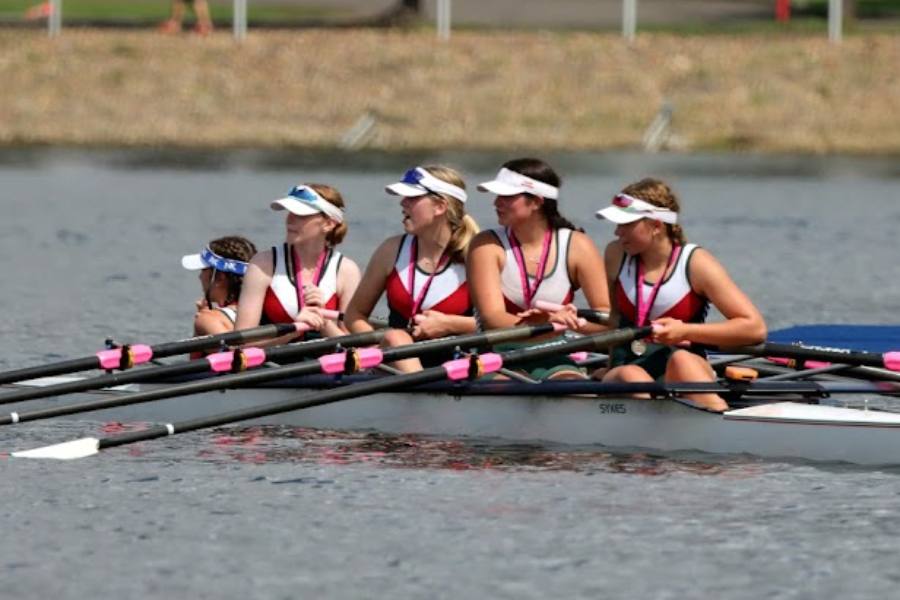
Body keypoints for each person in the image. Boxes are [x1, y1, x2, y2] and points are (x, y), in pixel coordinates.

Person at [594, 177, 767, 411]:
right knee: (632, 374)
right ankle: (661, 422)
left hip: (681, 371)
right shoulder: (616, 254)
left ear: (656, 225)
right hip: (624, 371)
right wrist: (569, 324)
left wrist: (685, 331)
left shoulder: (696, 263)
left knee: (682, 359)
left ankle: (719, 419)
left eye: (627, 224)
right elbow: (615, 321)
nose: (617, 231)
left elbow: (754, 328)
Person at [467, 158, 611, 380]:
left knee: (576, 393)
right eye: (498, 196)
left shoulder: (578, 245)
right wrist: (548, 324)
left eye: (507, 197)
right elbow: (492, 319)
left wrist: (572, 322)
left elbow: (607, 321)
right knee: (508, 390)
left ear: (536, 201)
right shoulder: (486, 244)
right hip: (497, 355)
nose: (496, 202)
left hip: (553, 353)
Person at [344, 166, 480, 372]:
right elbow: (354, 314)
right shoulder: (391, 250)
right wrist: (379, 349)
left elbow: (501, 323)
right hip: (397, 364)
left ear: (440, 206)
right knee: (394, 336)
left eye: (412, 197)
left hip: (461, 366)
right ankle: (424, 394)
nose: (402, 203)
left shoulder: (477, 255)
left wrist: (450, 325)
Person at [234, 183, 361, 345]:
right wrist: (293, 331)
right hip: (272, 364)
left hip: (325, 364)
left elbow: (353, 347)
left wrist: (324, 322)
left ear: (329, 224)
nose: (290, 219)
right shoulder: (263, 264)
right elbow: (240, 344)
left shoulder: (346, 271)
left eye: (301, 215)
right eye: (290, 212)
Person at [181, 235, 257, 338]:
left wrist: (205, 322)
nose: (200, 277)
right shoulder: (268, 313)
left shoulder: (207, 321)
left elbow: (237, 352)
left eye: (203, 270)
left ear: (220, 278)